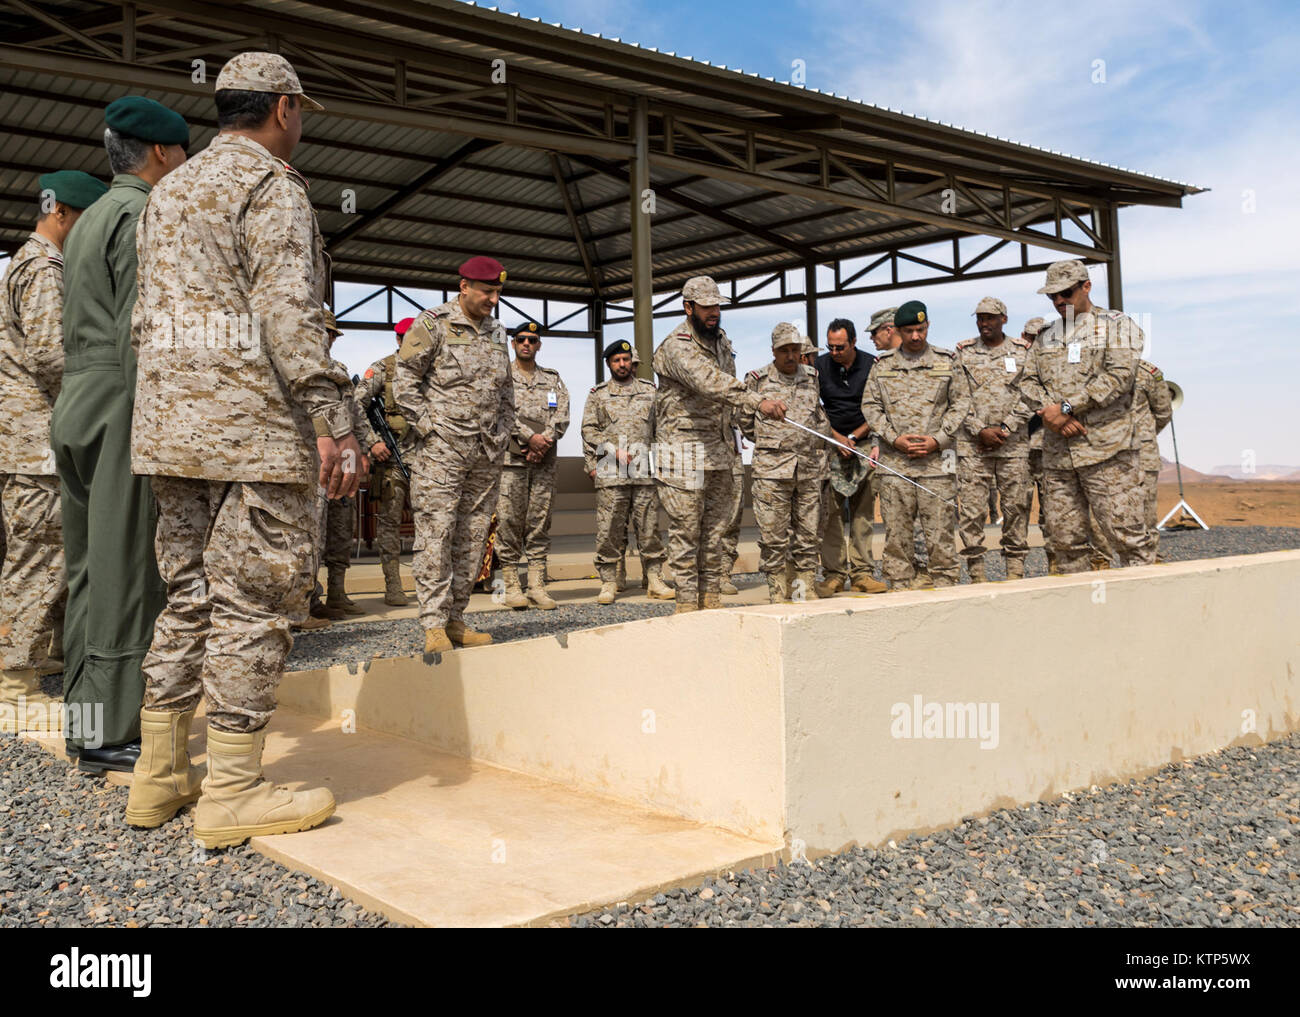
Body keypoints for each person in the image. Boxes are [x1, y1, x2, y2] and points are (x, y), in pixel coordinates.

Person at [124, 52, 363, 846]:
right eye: (299, 112)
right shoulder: (271, 185)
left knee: (188, 594)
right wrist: (333, 418)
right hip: (254, 433)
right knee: (253, 603)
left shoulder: (169, 189)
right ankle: (231, 790)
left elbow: (144, 318)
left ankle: (159, 776)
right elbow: (288, 309)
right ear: (284, 108)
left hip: (171, 431)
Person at [54, 99, 187, 773]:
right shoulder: (143, 214)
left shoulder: (90, 219)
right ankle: (111, 732)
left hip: (78, 399)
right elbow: (143, 332)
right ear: (161, 152)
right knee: (127, 570)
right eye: (183, 151)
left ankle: (84, 724)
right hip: (120, 403)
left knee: (86, 569)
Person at [0, 170, 107, 735]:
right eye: (85, 219)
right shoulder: (43, 269)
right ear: (61, 213)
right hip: (36, 446)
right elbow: (52, 357)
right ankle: (13, 684)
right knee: (37, 560)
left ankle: (48, 662)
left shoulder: (29, 263)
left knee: (53, 557)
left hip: (31, 443)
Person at [394, 256, 514, 651]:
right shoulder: (432, 324)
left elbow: (506, 390)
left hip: (485, 452)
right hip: (442, 453)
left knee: (473, 536)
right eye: (487, 291)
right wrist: (430, 429)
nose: (493, 299)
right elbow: (404, 381)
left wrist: (504, 431)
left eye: (497, 292)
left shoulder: (497, 332)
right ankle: (433, 624)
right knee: (437, 534)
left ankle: (456, 620)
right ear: (464, 287)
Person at [652, 276, 785, 613]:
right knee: (686, 532)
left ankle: (710, 600)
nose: (713, 313)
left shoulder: (721, 341)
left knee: (715, 531)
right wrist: (758, 401)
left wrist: (743, 428)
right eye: (706, 307)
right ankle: (686, 605)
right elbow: (710, 382)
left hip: (718, 452)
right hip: (683, 454)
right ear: (688, 307)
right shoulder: (676, 345)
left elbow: (727, 392)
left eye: (717, 306)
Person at [1014, 260, 1154, 572]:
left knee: (1128, 539)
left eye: (1065, 293)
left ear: (1086, 287)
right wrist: (1052, 414)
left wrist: (1066, 408)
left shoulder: (1117, 326)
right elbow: (1027, 382)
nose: (1058, 301)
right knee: (1065, 543)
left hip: (1107, 452)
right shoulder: (1046, 336)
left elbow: (1119, 377)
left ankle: (1143, 601)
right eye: (1052, 296)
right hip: (1059, 457)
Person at [860, 300, 968, 589]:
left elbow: (961, 404)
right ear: (897, 331)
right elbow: (870, 406)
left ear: (928, 326)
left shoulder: (947, 361)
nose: (916, 336)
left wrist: (938, 440)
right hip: (896, 465)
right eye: (909, 331)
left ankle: (946, 590)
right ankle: (900, 590)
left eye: (921, 329)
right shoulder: (882, 366)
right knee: (897, 538)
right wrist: (893, 438)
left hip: (937, 466)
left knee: (940, 536)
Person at [742, 324, 830, 603]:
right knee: (773, 536)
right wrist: (772, 442)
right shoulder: (757, 380)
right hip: (772, 471)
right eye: (784, 351)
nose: (790, 356)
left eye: (795, 350)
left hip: (808, 469)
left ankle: (804, 589)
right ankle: (778, 593)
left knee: (808, 534)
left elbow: (816, 416)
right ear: (773, 351)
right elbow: (744, 421)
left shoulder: (812, 377)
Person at [582, 339, 674, 605]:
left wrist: (664, 464)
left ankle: (654, 579)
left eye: (625, 359)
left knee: (649, 528)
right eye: (616, 360)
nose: (622, 364)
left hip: (644, 472)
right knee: (609, 529)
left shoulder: (649, 391)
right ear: (609, 364)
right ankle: (609, 581)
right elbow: (588, 430)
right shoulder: (598, 394)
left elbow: (662, 429)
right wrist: (611, 451)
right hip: (611, 473)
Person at [952, 297, 1034, 582]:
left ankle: (1015, 571)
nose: (984, 323)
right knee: (972, 511)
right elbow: (957, 398)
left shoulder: (1023, 352)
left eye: (990, 318)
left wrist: (1006, 428)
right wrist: (979, 430)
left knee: (1015, 507)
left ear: (1004, 319)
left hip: (1014, 446)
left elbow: (1032, 394)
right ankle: (977, 574)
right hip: (974, 447)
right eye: (980, 318)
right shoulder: (963, 352)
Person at [304, 309, 373, 624]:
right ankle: (304, 601)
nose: (328, 339)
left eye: (331, 334)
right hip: (312, 464)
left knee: (341, 531)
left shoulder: (339, 371)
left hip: (342, 463)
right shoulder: (299, 370)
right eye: (324, 332)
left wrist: (364, 451)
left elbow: (355, 414)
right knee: (311, 535)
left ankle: (336, 594)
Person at [496, 321, 569, 610]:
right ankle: (511, 585)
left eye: (532, 340)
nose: (527, 343)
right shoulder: (503, 376)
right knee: (509, 522)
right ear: (513, 343)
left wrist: (544, 441)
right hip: (511, 462)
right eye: (522, 339)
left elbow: (562, 413)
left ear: (539, 345)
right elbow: (500, 410)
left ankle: (537, 586)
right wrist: (530, 438)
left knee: (539, 522)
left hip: (543, 463)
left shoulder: (552, 378)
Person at [814, 317, 886, 597]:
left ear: (854, 342)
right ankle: (833, 574)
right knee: (830, 513)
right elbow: (814, 408)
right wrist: (835, 438)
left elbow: (879, 407)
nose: (834, 352)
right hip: (831, 445)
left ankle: (862, 573)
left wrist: (854, 437)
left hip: (863, 445)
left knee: (862, 512)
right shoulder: (819, 367)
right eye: (830, 347)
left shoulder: (872, 366)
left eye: (840, 347)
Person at [354, 316, 416, 606]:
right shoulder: (383, 369)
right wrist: (372, 441)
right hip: (392, 460)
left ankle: (431, 586)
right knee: (390, 523)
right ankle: (393, 586)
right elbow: (356, 404)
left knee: (433, 524)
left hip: (427, 461)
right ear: (398, 339)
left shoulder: (432, 371)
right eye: (407, 338)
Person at [1020, 317, 1055, 571]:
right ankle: (1015, 569)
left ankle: (1056, 564)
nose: (1036, 343)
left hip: (1048, 449)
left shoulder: (1055, 366)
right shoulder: (1013, 365)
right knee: (1016, 510)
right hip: (1019, 450)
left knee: (1052, 511)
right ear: (1024, 337)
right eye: (1033, 338)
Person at [1132, 358, 1173, 554]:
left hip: (1142, 453)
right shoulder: (1093, 369)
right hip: (1101, 452)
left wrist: (1143, 435)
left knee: (1146, 510)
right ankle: (1100, 562)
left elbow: (1163, 412)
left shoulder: (1148, 373)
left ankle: (1150, 559)